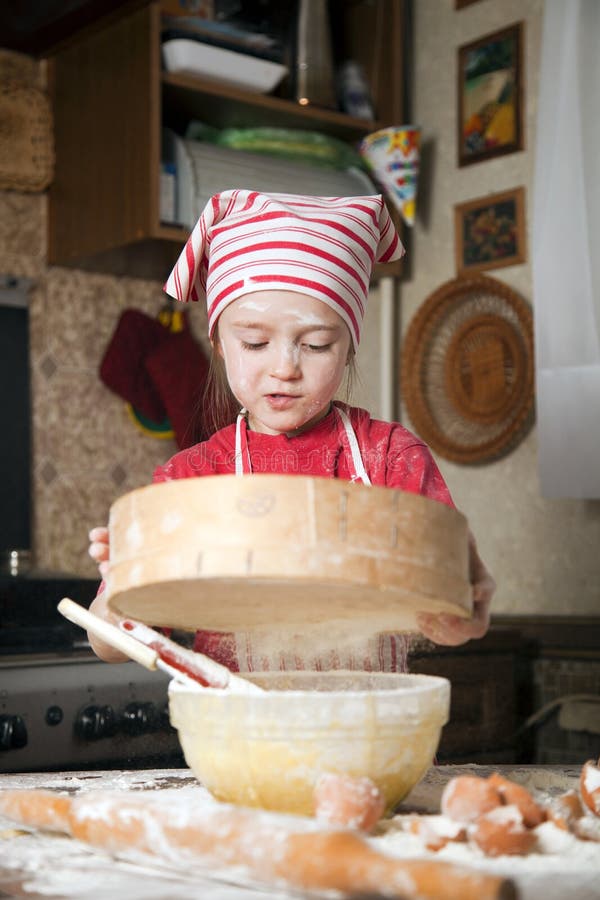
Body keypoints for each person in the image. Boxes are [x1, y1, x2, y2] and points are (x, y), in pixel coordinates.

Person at [88, 189, 495, 668]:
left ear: (349, 348)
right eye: (256, 343)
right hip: (235, 734)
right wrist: (122, 590)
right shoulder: (193, 481)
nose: (284, 368)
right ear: (219, 342)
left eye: (317, 345)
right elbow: (112, 646)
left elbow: (447, 619)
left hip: (364, 729)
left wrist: (463, 603)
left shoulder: (391, 460)